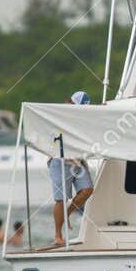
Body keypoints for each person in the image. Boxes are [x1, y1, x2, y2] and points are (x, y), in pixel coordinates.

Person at [50, 91, 95, 247]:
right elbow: (53, 137)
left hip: (77, 161)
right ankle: (58, 234)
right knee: (61, 199)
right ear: (71, 103)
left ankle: (66, 215)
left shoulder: (83, 116)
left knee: (87, 190)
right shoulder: (60, 114)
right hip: (59, 160)